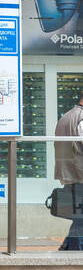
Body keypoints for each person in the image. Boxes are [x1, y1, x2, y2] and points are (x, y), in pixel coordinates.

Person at [53, 91, 83, 250]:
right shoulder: (81, 118)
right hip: (80, 176)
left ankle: (67, 249)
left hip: (70, 177)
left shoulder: (66, 116)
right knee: (80, 221)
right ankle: (72, 251)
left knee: (80, 219)